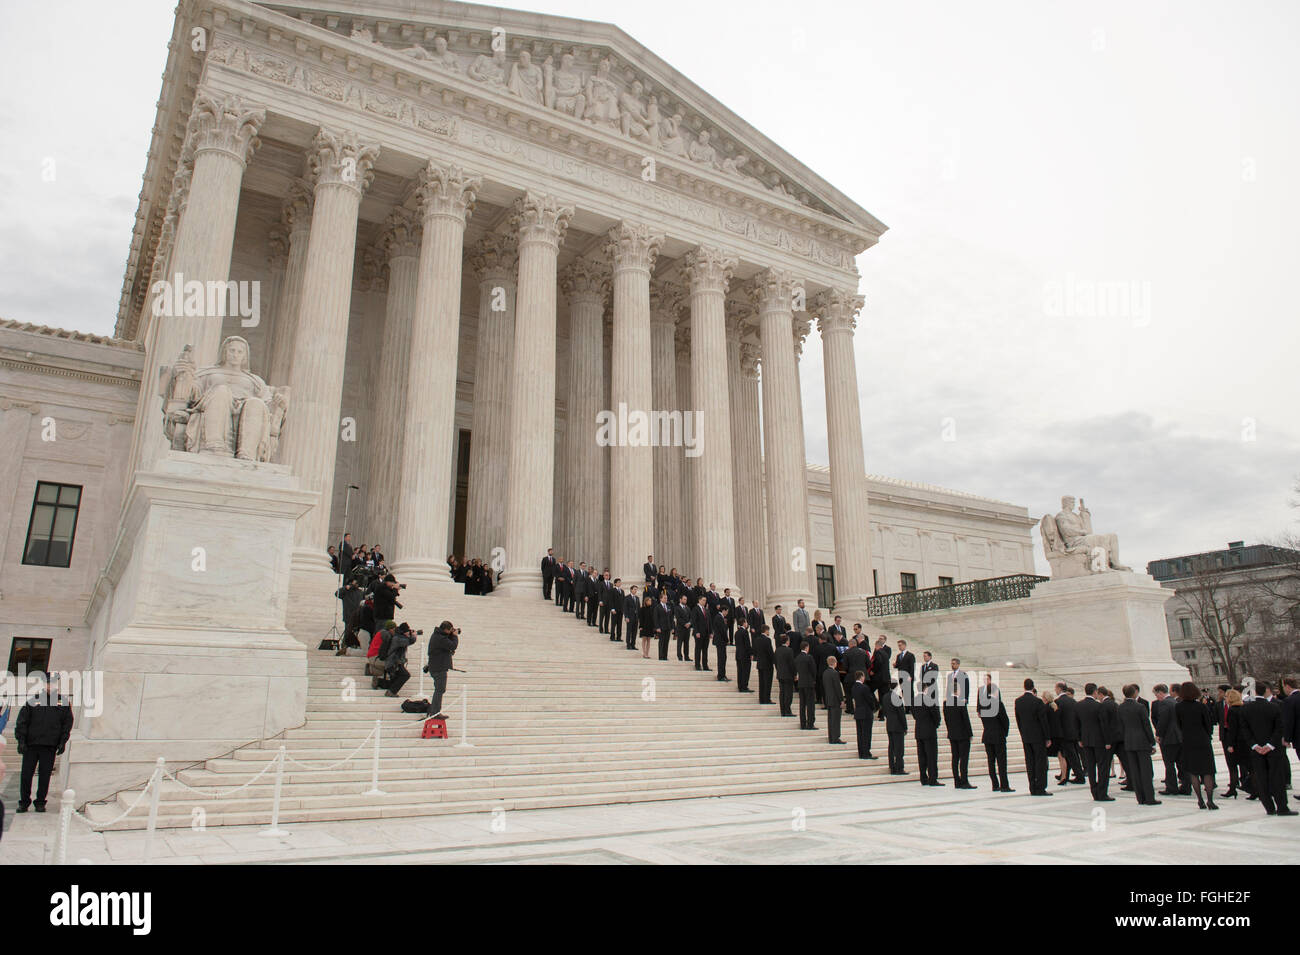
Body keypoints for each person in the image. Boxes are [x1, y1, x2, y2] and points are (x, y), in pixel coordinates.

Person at [14, 675, 74, 814]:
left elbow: (67, 723)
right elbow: (22, 721)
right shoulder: (33, 700)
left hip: (49, 746)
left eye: (52, 683)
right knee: (26, 775)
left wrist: (62, 741)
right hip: (31, 745)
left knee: (45, 775)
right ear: (44, 684)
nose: (49, 686)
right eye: (47, 683)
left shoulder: (62, 702)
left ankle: (40, 802)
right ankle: (24, 802)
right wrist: (21, 740)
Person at [1238, 682, 1296, 816]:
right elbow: (1279, 728)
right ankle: (1282, 807)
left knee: (1261, 778)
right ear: (1265, 691)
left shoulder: (1245, 709)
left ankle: (1269, 807)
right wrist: (1270, 745)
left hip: (1256, 750)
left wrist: (1255, 745)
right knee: (1277, 777)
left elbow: (1245, 730)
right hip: (1274, 749)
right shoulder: (1274, 707)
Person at [1174, 681, 1217, 810]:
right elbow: (1208, 724)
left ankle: (1200, 800)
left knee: (1193, 772)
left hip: (1188, 741)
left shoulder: (1178, 707)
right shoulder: (1201, 706)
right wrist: (1207, 735)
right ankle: (1210, 800)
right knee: (1207, 771)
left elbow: (1179, 724)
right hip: (1202, 740)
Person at [1117, 683, 1159, 805]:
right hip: (1141, 742)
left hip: (1129, 742)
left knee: (1135, 771)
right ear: (1135, 693)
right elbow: (1146, 726)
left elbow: (1120, 727)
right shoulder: (1139, 707)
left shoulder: (1120, 707)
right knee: (1145, 771)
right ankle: (1149, 798)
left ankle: (1140, 798)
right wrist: (1152, 742)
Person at [1014, 678, 1052, 796]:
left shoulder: (1018, 701)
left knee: (1029, 762)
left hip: (1026, 736)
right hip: (1038, 737)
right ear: (1033, 687)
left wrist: (1022, 733)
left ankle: (1032, 787)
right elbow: (1043, 721)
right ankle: (1040, 787)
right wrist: (1047, 737)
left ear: (1024, 687)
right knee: (1040, 762)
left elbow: (1018, 720)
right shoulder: (1038, 702)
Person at [1077, 683, 1114, 801]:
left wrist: (1079, 738)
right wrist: (1108, 741)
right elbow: (1104, 724)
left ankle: (1094, 791)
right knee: (1103, 767)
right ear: (1095, 692)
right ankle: (1102, 792)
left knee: (1091, 767)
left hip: (1086, 740)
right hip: (1099, 740)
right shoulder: (1099, 706)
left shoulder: (1079, 705)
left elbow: (1076, 724)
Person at [1152, 683, 1188, 796]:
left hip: (1169, 738)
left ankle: (1171, 787)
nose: (1156, 697)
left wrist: (1158, 734)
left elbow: (1163, 720)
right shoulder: (1174, 701)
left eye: (1156, 694)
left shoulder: (1164, 703)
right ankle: (1186, 786)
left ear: (1160, 693)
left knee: (1169, 764)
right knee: (1181, 763)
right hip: (1178, 737)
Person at [944, 660, 976, 789]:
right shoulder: (960, 704)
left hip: (952, 733)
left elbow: (946, 720)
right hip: (962, 735)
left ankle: (957, 781)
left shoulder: (946, 704)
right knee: (963, 758)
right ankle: (964, 781)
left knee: (954, 758)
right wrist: (970, 734)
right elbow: (966, 720)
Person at [978, 675, 1012, 792]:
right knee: (1001, 762)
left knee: (991, 762)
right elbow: (1005, 721)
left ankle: (995, 784)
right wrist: (1004, 733)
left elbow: (983, 719)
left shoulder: (983, 705)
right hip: (998, 736)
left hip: (987, 735)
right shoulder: (998, 704)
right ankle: (1004, 785)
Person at [1053, 682, 1085, 785]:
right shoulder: (1072, 701)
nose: (1055, 690)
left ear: (1059, 689)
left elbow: (1057, 719)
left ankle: (1078, 776)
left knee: (1070, 756)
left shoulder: (1058, 702)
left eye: (1056, 688)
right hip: (1074, 732)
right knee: (1072, 755)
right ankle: (1067, 775)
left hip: (1064, 733)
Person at [425, 621, 459, 718]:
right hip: (439, 668)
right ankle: (435, 712)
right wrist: (455, 636)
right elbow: (453, 646)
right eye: (450, 630)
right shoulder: (440, 638)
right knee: (440, 690)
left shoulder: (438, 635)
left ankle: (433, 711)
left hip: (437, 666)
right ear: (445, 629)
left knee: (439, 689)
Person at [913, 682, 942, 786]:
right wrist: (935, 724)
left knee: (921, 756)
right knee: (931, 756)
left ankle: (923, 778)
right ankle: (932, 778)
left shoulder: (914, 700)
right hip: (929, 731)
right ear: (926, 688)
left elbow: (914, 714)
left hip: (919, 730)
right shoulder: (930, 700)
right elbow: (936, 715)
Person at [882, 683, 908, 774]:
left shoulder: (885, 697)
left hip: (889, 724)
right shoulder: (897, 698)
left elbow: (884, 711)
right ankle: (899, 768)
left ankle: (892, 767)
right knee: (899, 748)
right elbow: (901, 714)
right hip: (898, 726)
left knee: (891, 747)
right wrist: (905, 727)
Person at [851, 671, 877, 758]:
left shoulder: (853, 687)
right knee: (866, 734)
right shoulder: (864, 687)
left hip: (858, 712)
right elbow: (870, 700)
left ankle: (861, 752)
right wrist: (873, 708)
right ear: (861, 677)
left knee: (860, 734)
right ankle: (866, 752)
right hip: (866, 713)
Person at [795, 640, 818, 731]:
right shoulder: (809, 657)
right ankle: (810, 723)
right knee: (810, 704)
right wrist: (813, 679)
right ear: (806, 647)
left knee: (802, 704)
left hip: (801, 683)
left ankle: (803, 723)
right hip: (809, 683)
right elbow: (813, 670)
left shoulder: (797, 658)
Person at [822, 655, 845, 744]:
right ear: (835, 663)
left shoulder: (825, 673)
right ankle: (836, 737)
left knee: (831, 719)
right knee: (836, 720)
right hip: (835, 700)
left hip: (828, 699)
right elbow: (837, 688)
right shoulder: (835, 673)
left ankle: (831, 737)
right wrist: (841, 700)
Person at [775, 634, 796, 718]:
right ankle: (787, 710)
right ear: (787, 641)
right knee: (788, 694)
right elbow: (791, 664)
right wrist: (794, 674)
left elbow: (775, 662)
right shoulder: (789, 650)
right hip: (788, 675)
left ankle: (783, 710)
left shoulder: (777, 650)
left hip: (780, 674)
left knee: (782, 693)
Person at [753, 624, 775, 704]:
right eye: (768, 630)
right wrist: (774, 661)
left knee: (761, 682)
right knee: (767, 682)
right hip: (767, 664)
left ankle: (761, 698)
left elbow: (755, 651)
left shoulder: (757, 639)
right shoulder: (767, 640)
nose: (769, 632)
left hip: (760, 663)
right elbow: (770, 652)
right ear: (766, 630)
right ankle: (767, 699)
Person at [734, 614, 753, 692]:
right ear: (744, 623)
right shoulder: (745, 632)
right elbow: (747, 644)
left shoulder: (737, 632)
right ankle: (744, 686)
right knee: (745, 671)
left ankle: (740, 686)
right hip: (745, 655)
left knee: (740, 671)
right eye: (746, 622)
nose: (747, 624)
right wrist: (751, 653)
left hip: (738, 654)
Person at [691, 595, 711, 671]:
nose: (704, 602)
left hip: (706, 633)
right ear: (699, 600)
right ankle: (697, 665)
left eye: (705, 600)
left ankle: (705, 665)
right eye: (703, 600)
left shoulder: (707, 610)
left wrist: (711, 632)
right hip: (699, 633)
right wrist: (696, 632)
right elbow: (694, 621)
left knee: (705, 650)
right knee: (698, 649)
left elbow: (710, 622)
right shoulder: (695, 609)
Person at [712, 606, 731, 682]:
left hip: (720, 641)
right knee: (721, 659)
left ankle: (722, 674)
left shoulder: (720, 617)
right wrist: (727, 640)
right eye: (726, 611)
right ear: (723, 610)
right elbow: (723, 630)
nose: (727, 613)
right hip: (720, 641)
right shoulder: (719, 617)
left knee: (723, 658)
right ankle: (721, 675)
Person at [655, 592, 674, 661]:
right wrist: (657, 627)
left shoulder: (668, 607)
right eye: (664, 598)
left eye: (666, 598)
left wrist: (672, 627)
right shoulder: (657, 607)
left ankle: (665, 656)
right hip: (661, 627)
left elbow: (671, 618)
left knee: (666, 642)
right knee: (661, 642)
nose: (666, 599)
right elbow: (656, 618)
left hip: (668, 627)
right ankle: (661, 656)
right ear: (661, 599)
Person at [638, 595, 656, 660]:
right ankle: (644, 653)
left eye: (650, 601)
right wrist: (641, 626)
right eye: (649, 601)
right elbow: (641, 618)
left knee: (649, 640)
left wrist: (654, 626)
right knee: (644, 639)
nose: (650, 602)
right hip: (644, 625)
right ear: (646, 602)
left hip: (650, 626)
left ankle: (647, 653)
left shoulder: (652, 609)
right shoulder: (642, 609)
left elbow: (653, 618)